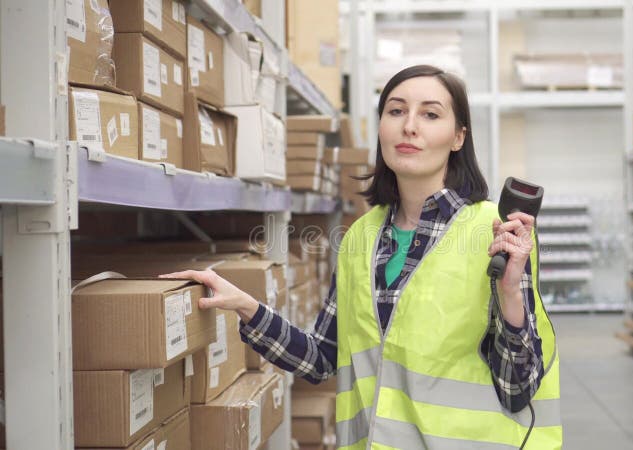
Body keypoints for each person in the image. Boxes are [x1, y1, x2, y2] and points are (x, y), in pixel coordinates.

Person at [161, 65, 561, 449]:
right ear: (381, 128)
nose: (410, 126)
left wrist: (510, 294)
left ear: (458, 137)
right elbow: (322, 357)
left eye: (430, 114)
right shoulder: (360, 237)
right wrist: (246, 307)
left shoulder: (496, 230)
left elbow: (518, 388)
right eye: (397, 110)